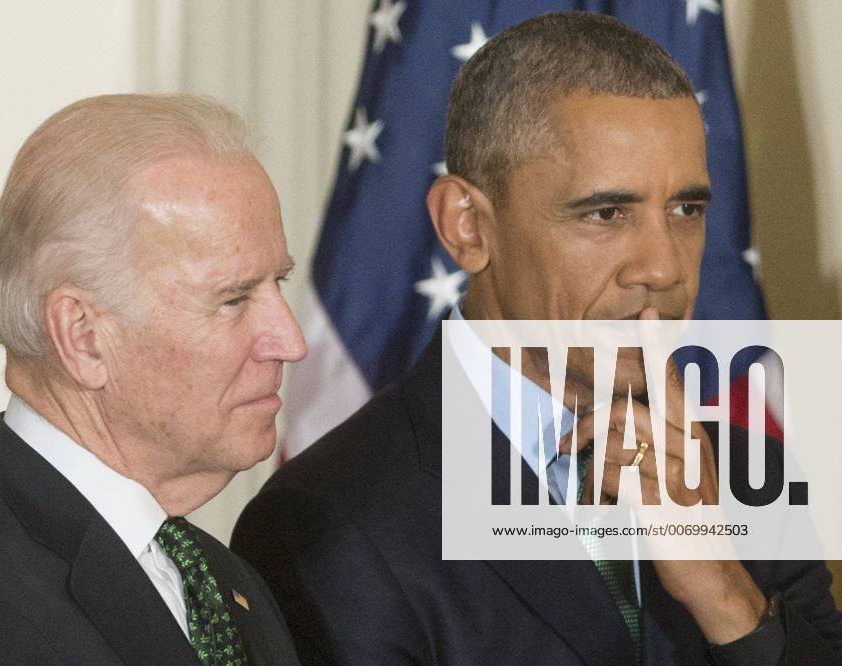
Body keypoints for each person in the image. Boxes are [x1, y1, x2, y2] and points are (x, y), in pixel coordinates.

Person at [231, 13, 842, 665]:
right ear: (467, 226)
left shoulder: (751, 477)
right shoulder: (331, 524)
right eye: (606, 213)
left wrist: (723, 594)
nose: (664, 267)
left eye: (686, 210)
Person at [0, 94, 306, 665]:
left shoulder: (223, 584)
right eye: (234, 299)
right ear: (84, 337)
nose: (290, 341)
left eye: (277, 284)